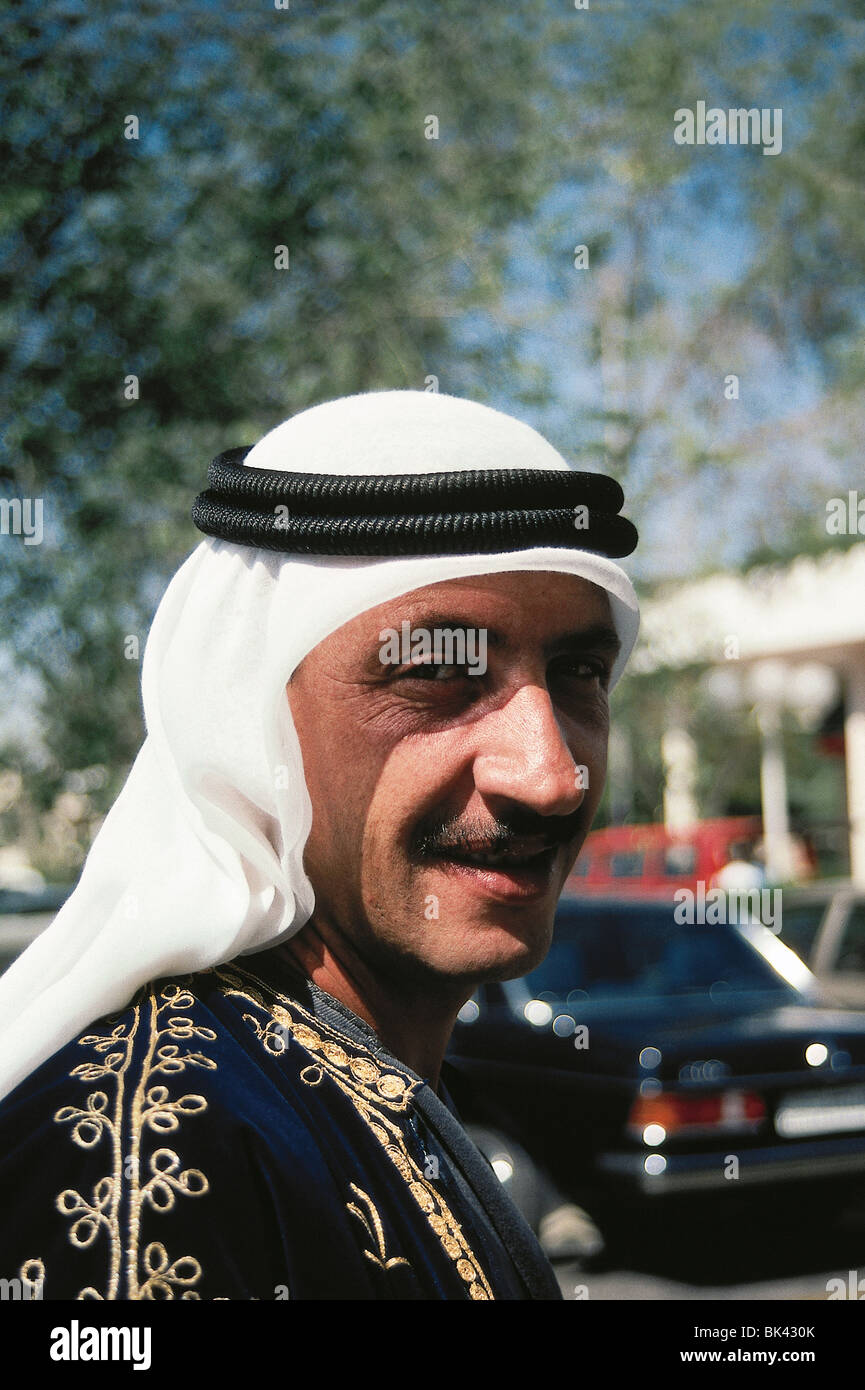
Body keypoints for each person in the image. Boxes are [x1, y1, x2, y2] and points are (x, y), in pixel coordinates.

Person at [0, 390, 639, 1300]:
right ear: (249, 724)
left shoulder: (372, 1075)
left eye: (577, 673)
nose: (548, 776)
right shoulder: (148, 1165)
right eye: (433, 672)